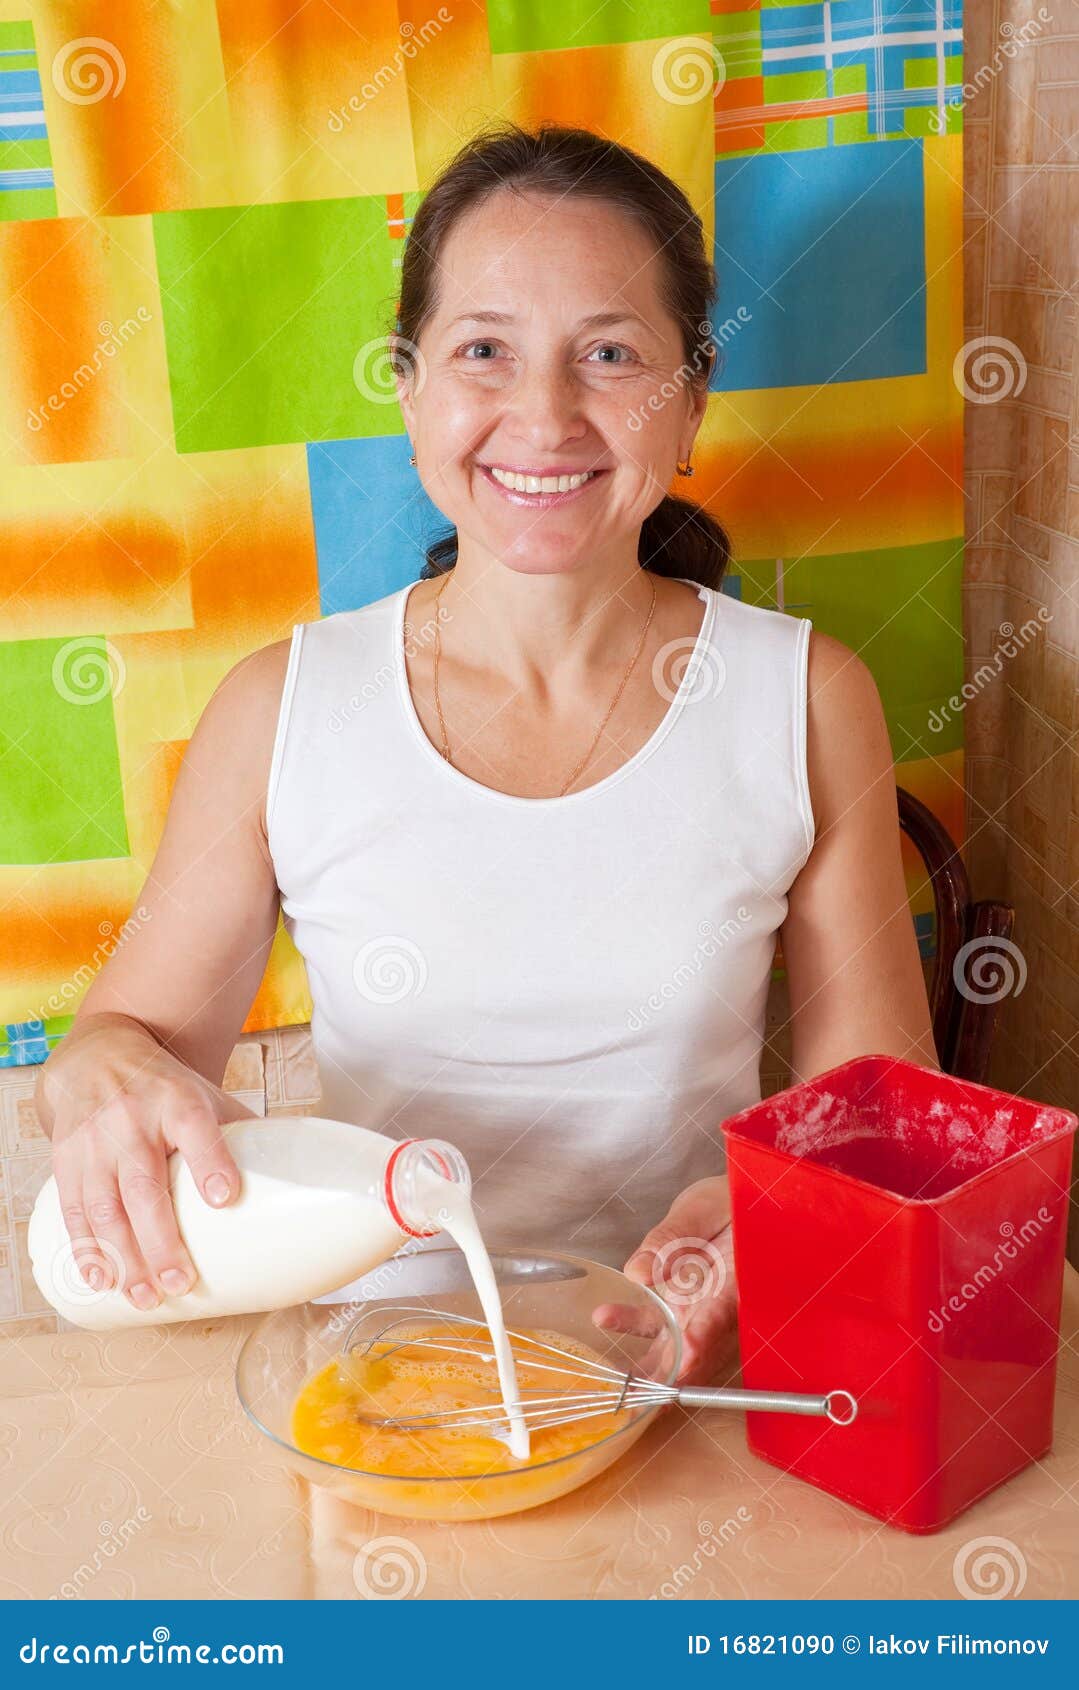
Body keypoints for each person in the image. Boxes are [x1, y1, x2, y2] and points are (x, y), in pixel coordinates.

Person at [33, 123, 936, 1383]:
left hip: (692, 1374)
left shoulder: (806, 698)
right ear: (411, 390)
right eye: (483, 351)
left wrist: (787, 1208)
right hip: (381, 1379)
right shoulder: (279, 709)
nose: (544, 416)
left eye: (608, 354)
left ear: (688, 402)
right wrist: (97, 1072)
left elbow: (875, 1100)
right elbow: (128, 1042)